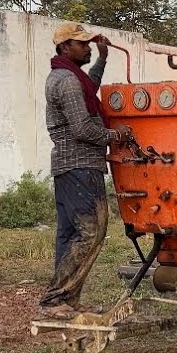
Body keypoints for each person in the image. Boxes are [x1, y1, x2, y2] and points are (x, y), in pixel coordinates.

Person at [38, 23, 133, 320]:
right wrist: (116, 135)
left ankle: (66, 300)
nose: (87, 47)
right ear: (65, 47)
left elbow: (89, 88)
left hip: (69, 166)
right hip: (80, 165)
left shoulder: (67, 76)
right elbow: (82, 128)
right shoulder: (67, 81)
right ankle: (55, 299)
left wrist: (102, 58)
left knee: (70, 235)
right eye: (82, 44)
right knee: (92, 232)